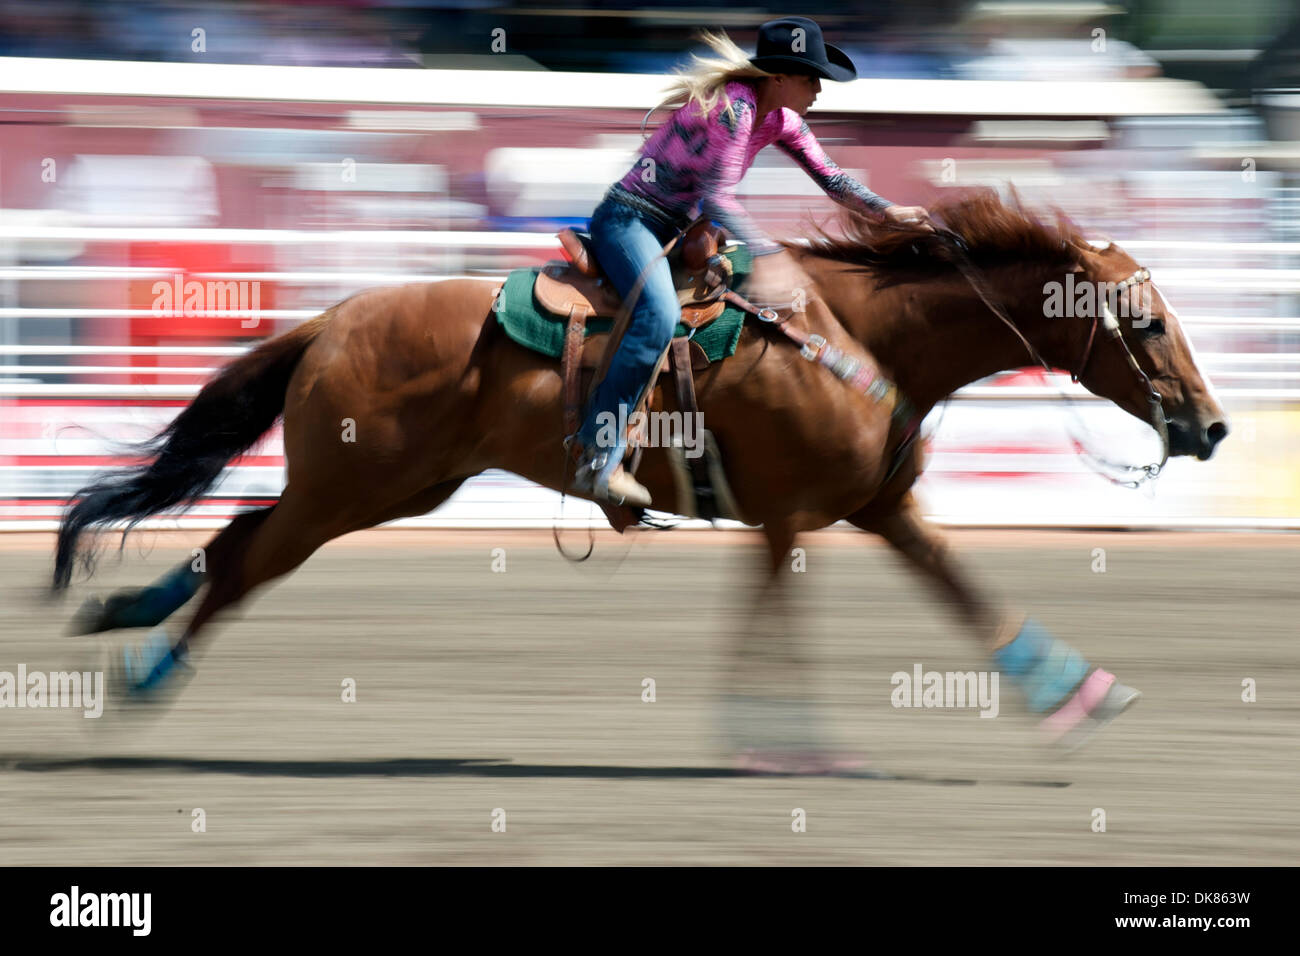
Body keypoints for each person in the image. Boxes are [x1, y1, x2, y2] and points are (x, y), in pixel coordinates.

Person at [571, 16, 932, 507]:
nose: (818, 91)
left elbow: (832, 179)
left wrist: (887, 210)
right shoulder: (734, 108)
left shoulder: (779, 119)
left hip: (679, 230)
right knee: (657, 315)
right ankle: (598, 454)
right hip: (629, 221)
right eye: (812, 79)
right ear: (779, 78)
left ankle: (688, 454)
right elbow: (718, 198)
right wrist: (768, 251)